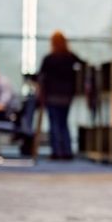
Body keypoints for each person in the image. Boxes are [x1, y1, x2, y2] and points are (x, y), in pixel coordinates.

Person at [38, 31, 83, 160]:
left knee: (54, 124)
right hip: (67, 96)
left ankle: (57, 152)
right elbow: (84, 65)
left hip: (52, 95)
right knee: (63, 123)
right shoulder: (71, 57)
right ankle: (67, 152)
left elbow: (41, 77)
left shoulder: (49, 58)